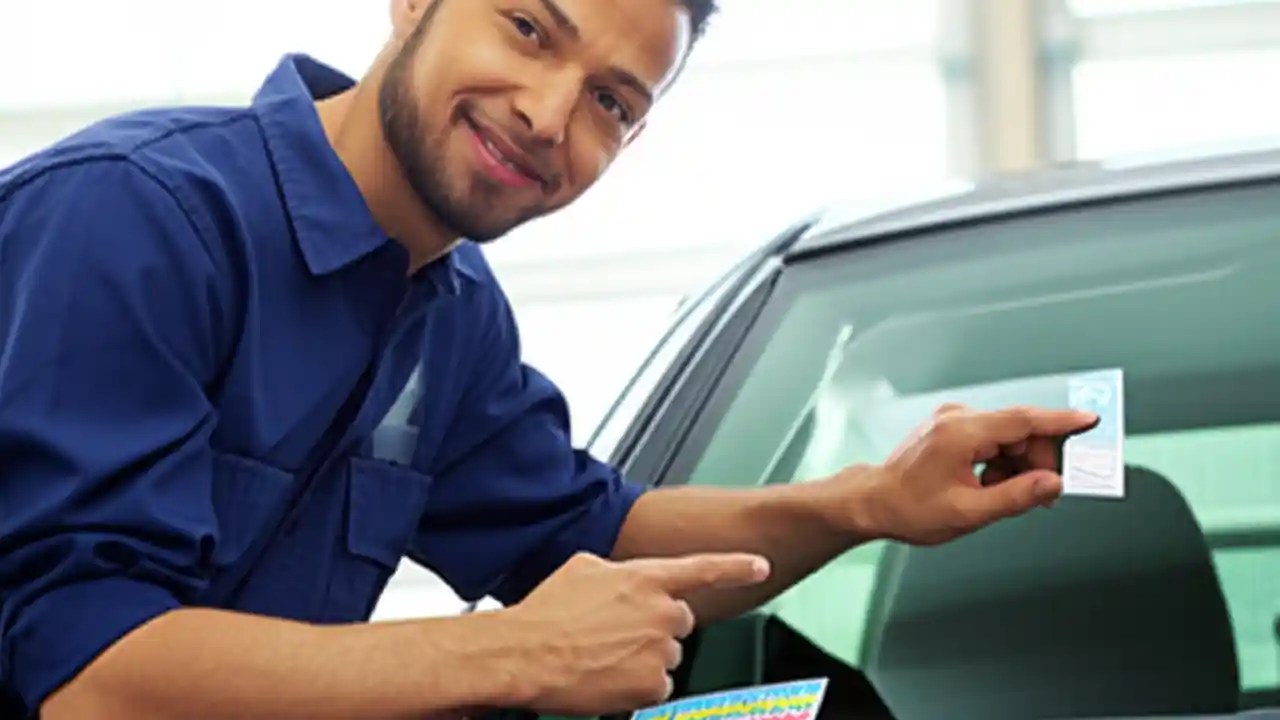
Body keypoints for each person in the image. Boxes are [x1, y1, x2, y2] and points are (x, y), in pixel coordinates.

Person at [0, 0, 1097, 717]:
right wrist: (513, 656)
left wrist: (865, 503)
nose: (545, 114)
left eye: (611, 103)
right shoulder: (133, 220)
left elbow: (591, 537)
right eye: (528, 27)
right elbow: (90, 675)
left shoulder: (452, 311)